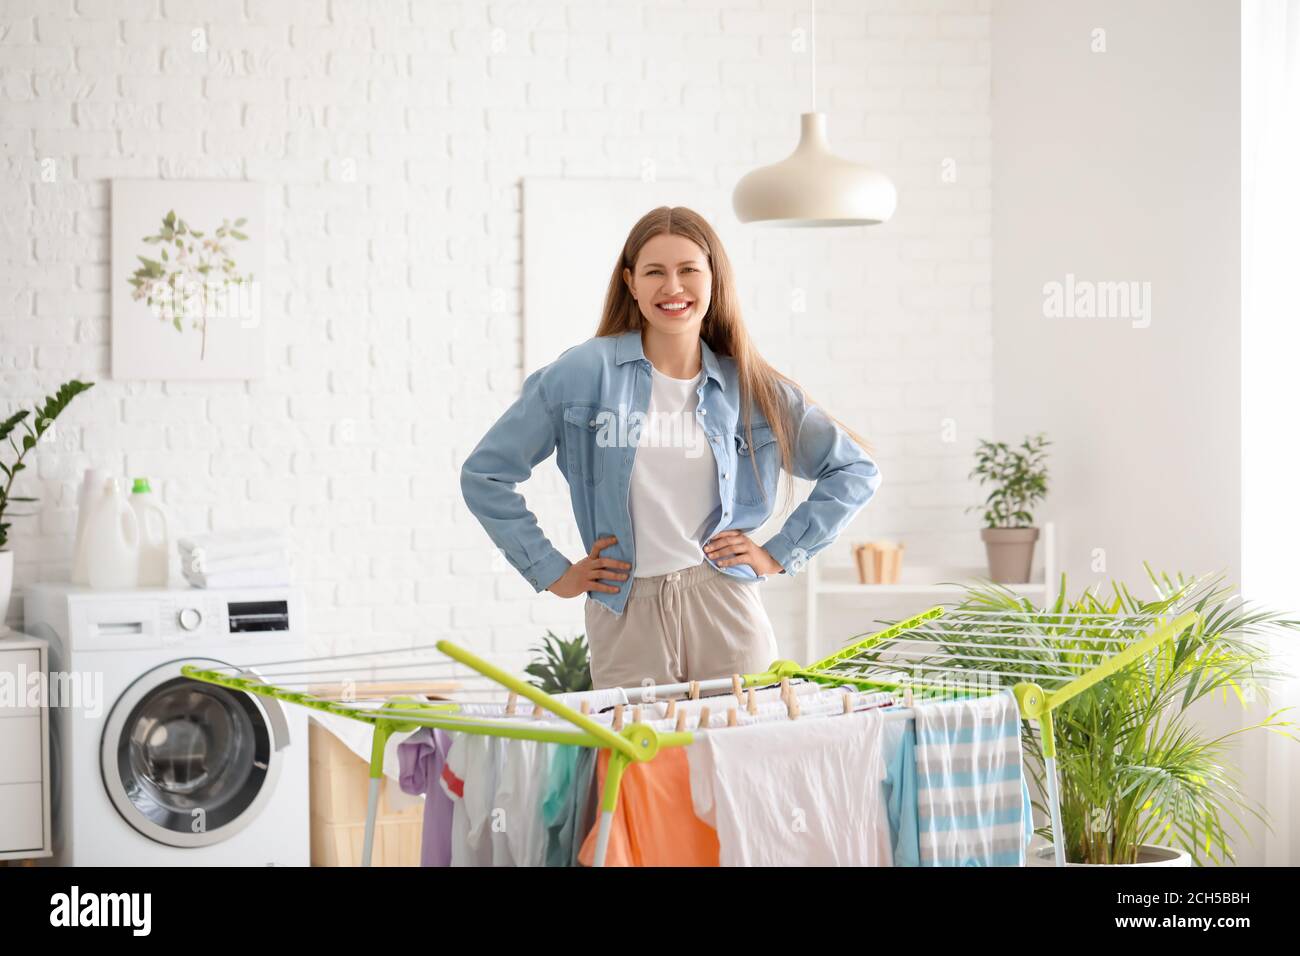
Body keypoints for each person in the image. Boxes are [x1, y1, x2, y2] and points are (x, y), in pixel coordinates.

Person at [460, 206, 882, 690]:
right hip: (624, 611)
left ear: (713, 280)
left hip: (724, 604)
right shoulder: (580, 374)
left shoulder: (752, 387)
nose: (673, 287)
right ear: (631, 283)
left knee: (739, 759)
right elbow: (485, 475)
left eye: (688, 270)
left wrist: (781, 552)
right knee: (641, 761)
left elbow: (854, 470)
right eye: (654, 272)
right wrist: (553, 571)